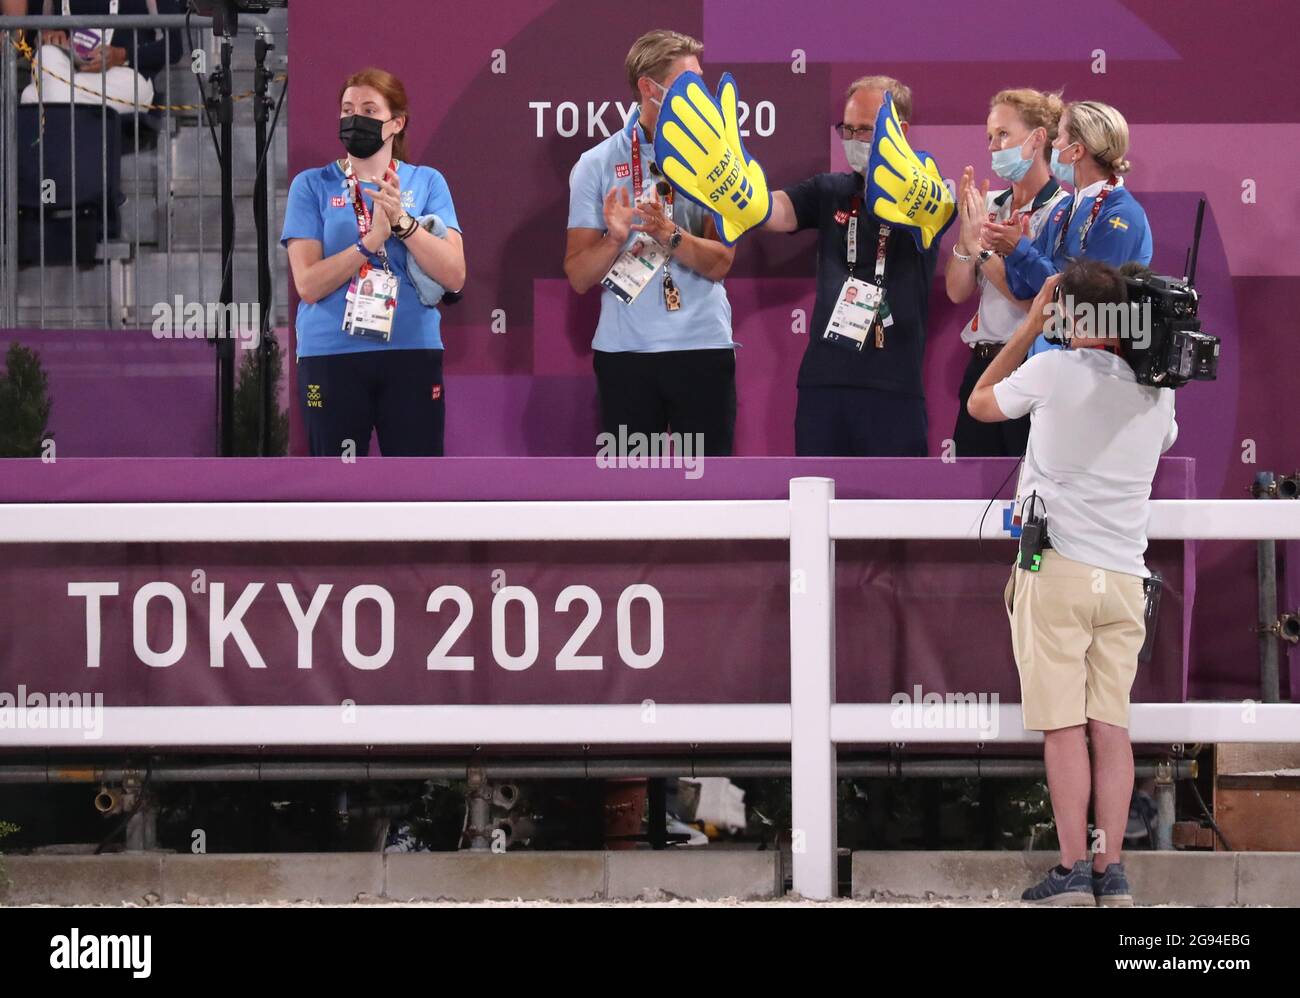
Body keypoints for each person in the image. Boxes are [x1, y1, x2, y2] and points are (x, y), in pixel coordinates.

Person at [967, 258, 1178, 906]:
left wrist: (1028, 328)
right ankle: (1111, 869)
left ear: (1070, 316)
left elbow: (978, 404)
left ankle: (1071, 870)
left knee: (1063, 728)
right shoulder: (1159, 392)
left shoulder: (1052, 368)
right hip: (1123, 580)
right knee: (1110, 726)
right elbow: (1164, 439)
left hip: (1056, 571)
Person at [564, 29, 738, 457]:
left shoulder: (717, 160)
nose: (701, 96)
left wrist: (669, 235)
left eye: (702, 83)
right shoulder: (596, 164)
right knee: (631, 499)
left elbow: (721, 264)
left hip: (702, 350)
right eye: (688, 84)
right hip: (626, 358)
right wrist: (614, 240)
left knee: (711, 498)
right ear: (649, 88)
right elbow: (580, 276)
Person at [281, 67, 466, 457]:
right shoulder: (311, 185)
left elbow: (454, 275)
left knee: (418, 490)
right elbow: (309, 285)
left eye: (368, 109)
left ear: (396, 122)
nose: (355, 119)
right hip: (331, 355)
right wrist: (370, 242)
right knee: (336, 493)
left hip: (411, 352)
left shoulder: (427, 182)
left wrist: (402, 224)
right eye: (347, 110)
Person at [761, 75, 940, 457]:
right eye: (847, 129)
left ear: (899, 130)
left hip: (893, 387)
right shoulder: (830, 190)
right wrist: (741, 194)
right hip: (825, 384)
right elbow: (776, 210)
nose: (853, 140)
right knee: (814, 506)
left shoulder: (928, 198)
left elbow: (937, 209)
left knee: (894, 512)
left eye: (865, 131)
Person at [947, 89, 1070, 457]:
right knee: (968, 496)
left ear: (1037, 139)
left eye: (1003, 134)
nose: (992, 147)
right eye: (989, 137)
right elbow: (956, 291)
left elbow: (1034, 299)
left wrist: (982, 250)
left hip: (1030, 366)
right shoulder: (989, 204)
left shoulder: (1062, 211)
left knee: (1026, 492)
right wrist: (966, 242)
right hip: (981, 365)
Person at [983, 100, 1152, 358]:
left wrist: (1021, 250)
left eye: (1060, 136)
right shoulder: (1065, 208)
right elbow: (1024, 290)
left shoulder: (1121, 216)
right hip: (1049, 361)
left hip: (1094, 370)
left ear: (1076, 152)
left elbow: (1085, 304)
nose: (1054, 145)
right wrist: (1018, 248)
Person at [16, 0, 184, 114]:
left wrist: (122, 55)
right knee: (46, 54)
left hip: (127, 76)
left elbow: (174, 47)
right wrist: (49, 35)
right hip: (72, 70)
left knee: (33, 97)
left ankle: (60, 163)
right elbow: (31, 37)